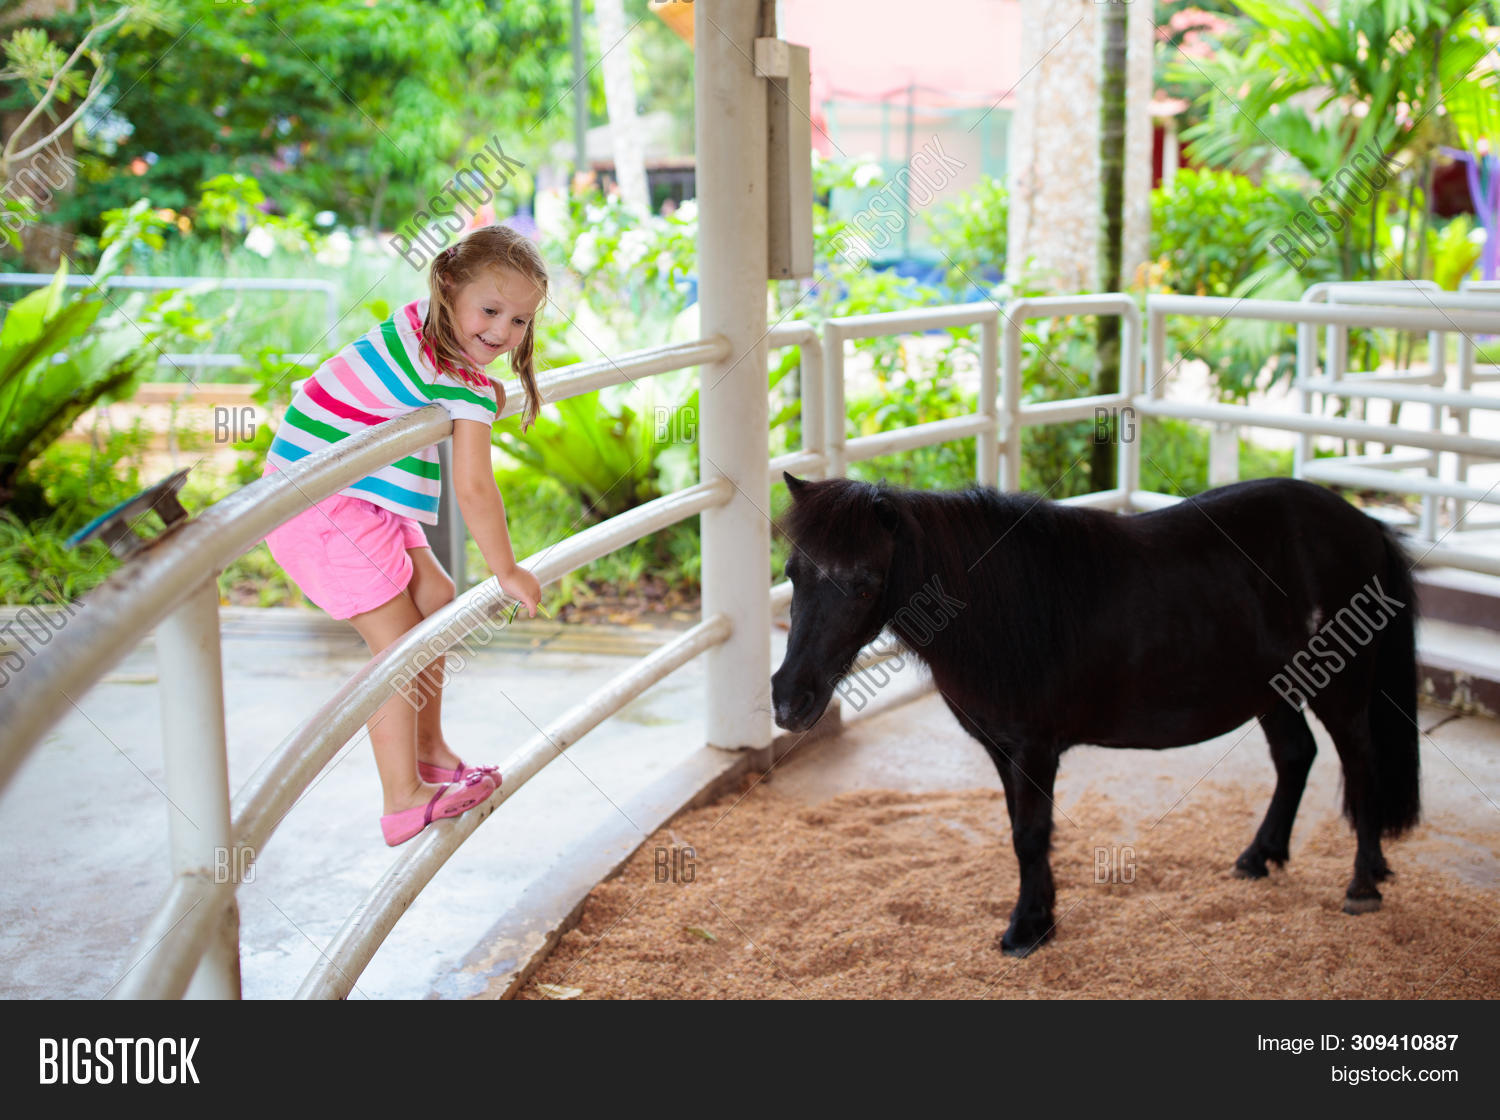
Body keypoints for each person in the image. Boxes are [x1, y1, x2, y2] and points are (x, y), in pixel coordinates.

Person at [259, 224, 547, 846]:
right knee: (396, 646)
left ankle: (431, 751)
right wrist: (507, 570)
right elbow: (475, 488)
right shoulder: (458, 381)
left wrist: (481, 387)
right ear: (447, 289)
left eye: (520, 321)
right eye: (490, 310)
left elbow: (445, 382)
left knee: (435, 598)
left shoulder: (422, 325)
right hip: (318, 507)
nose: (501, 334)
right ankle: (401, 800)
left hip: (349, 494)